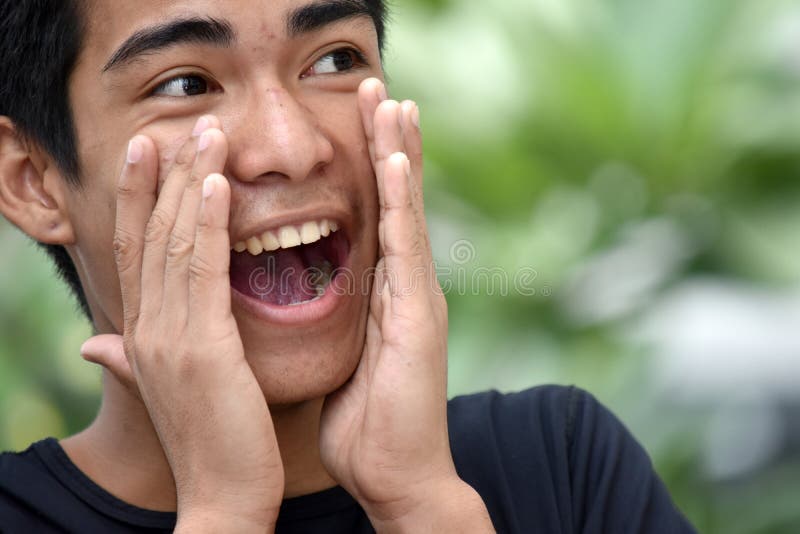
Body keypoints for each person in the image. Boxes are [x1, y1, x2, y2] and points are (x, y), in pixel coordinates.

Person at [0, 1, 696, 532]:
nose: (292, 146)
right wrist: (226, 509)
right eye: (186, 83)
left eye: (334, 61)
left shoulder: (560, 464)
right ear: (32, 180)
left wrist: (419, 501)